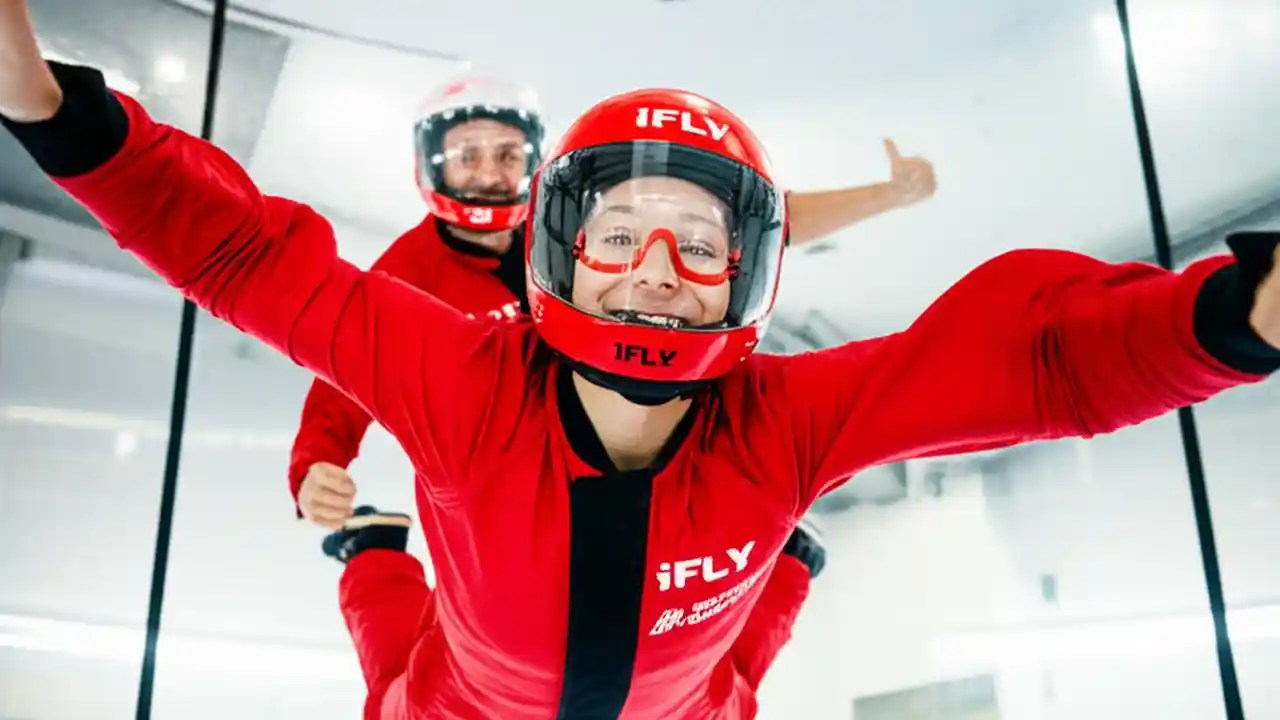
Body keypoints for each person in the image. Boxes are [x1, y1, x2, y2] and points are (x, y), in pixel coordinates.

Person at [4, 3, 1279, 717]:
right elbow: (247, 259)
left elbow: (1035, 365)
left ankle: (766, 575)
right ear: (559, 250)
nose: (655, 265)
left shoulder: (790, 413)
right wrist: (54, 112)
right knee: (392, 628)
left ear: (748, 270)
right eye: (618, 232)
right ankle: (383, 554)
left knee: (716, 668)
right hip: (466, 707)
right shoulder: (456, 368)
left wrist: (1233, 316)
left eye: (695, 240)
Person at [289, 74, 933, 706]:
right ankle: (791, 560)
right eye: (468, 156)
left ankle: (370, 547)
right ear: (433, 165)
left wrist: (886, 194)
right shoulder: (407, 271)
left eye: (507, 154)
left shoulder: (581, 223)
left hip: (630, 459)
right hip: (495, 488)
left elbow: (754, 223)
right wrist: (318, 459)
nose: (488, 172)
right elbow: (351, 361)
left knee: (666, 658)